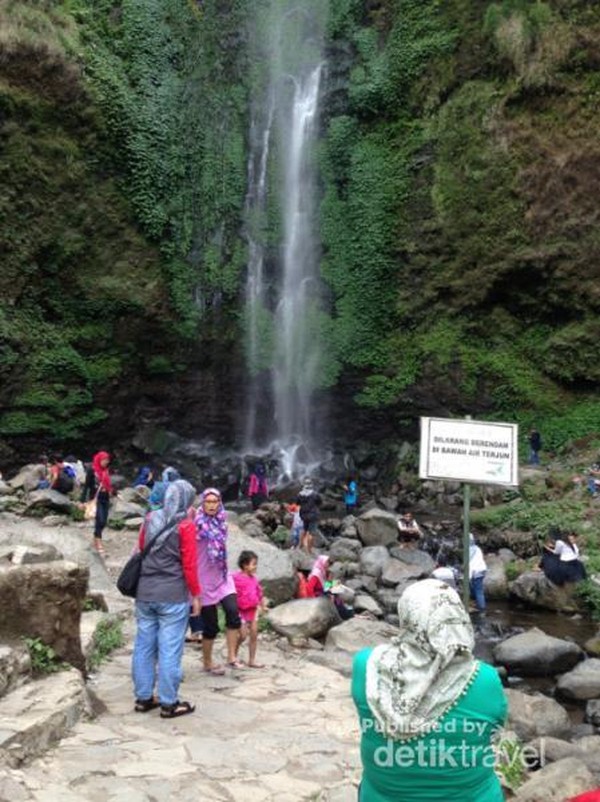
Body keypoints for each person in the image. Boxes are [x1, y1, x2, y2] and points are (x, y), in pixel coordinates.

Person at [352, 579, 507, 802]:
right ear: (457, 619)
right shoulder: (485, 679)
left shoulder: (367, 666)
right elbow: (495, 729)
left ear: (407, 618)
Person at [132, 479, 201, 718]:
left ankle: (143, 698)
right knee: (170, 650)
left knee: (144, 646)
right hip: (172, 595)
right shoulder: (186, 525)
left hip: (145, 593)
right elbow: (190, 565)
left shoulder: (150, 518)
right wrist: (196, 595)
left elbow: (141, 549)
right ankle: (169, 703)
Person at [195, 488, 242, 673]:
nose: (212, 505)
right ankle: (207, 662)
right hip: (204, 580)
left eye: (215, 501)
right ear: (203, 503)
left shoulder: (222, 522)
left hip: (222, 576)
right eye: (208, 501)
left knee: (232, 612)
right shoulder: (196, 523)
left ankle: (231, 656)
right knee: (211, 626)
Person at [232, 550, 266, 668]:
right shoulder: (235, 578)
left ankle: (252, 660)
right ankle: (233, 656)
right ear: (245, 565)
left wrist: (262, 605)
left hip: (253, 610)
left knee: (254, 634)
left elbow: (259, 592)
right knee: (242, 635)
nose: (255, 566)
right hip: (241, 611)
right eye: (253, 564)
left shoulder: (254, 579)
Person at [92, 451, 113, 556]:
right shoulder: (93, 471)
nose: (106, 462)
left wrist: (114, 492)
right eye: (104, 459)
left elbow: (108, 484)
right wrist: (83, 501)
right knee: (99, 519)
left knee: (104, 521)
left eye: (107, 460)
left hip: (106, 498)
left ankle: (96, 537)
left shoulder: (106, 471)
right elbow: (88, 486)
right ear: (99, 459)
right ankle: (98, 542)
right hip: (97, 498)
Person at [297, 478, 322, 554]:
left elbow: (297, 503)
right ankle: (309, 550)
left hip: (304, 515)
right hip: (313, 515)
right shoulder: (315, 494)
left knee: (304, 530)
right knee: (311, 533)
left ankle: (300, 546)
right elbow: (320, 502)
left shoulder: (299, 494)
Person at [469, 533, 487, 612]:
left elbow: (470, 564)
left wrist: (468, 577)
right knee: (475, 588)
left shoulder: (469, 550)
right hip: (482, 569)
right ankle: (477, 603)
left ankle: (482, 609)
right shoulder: (477, 548)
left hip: (476, 571)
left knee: (478, 590)